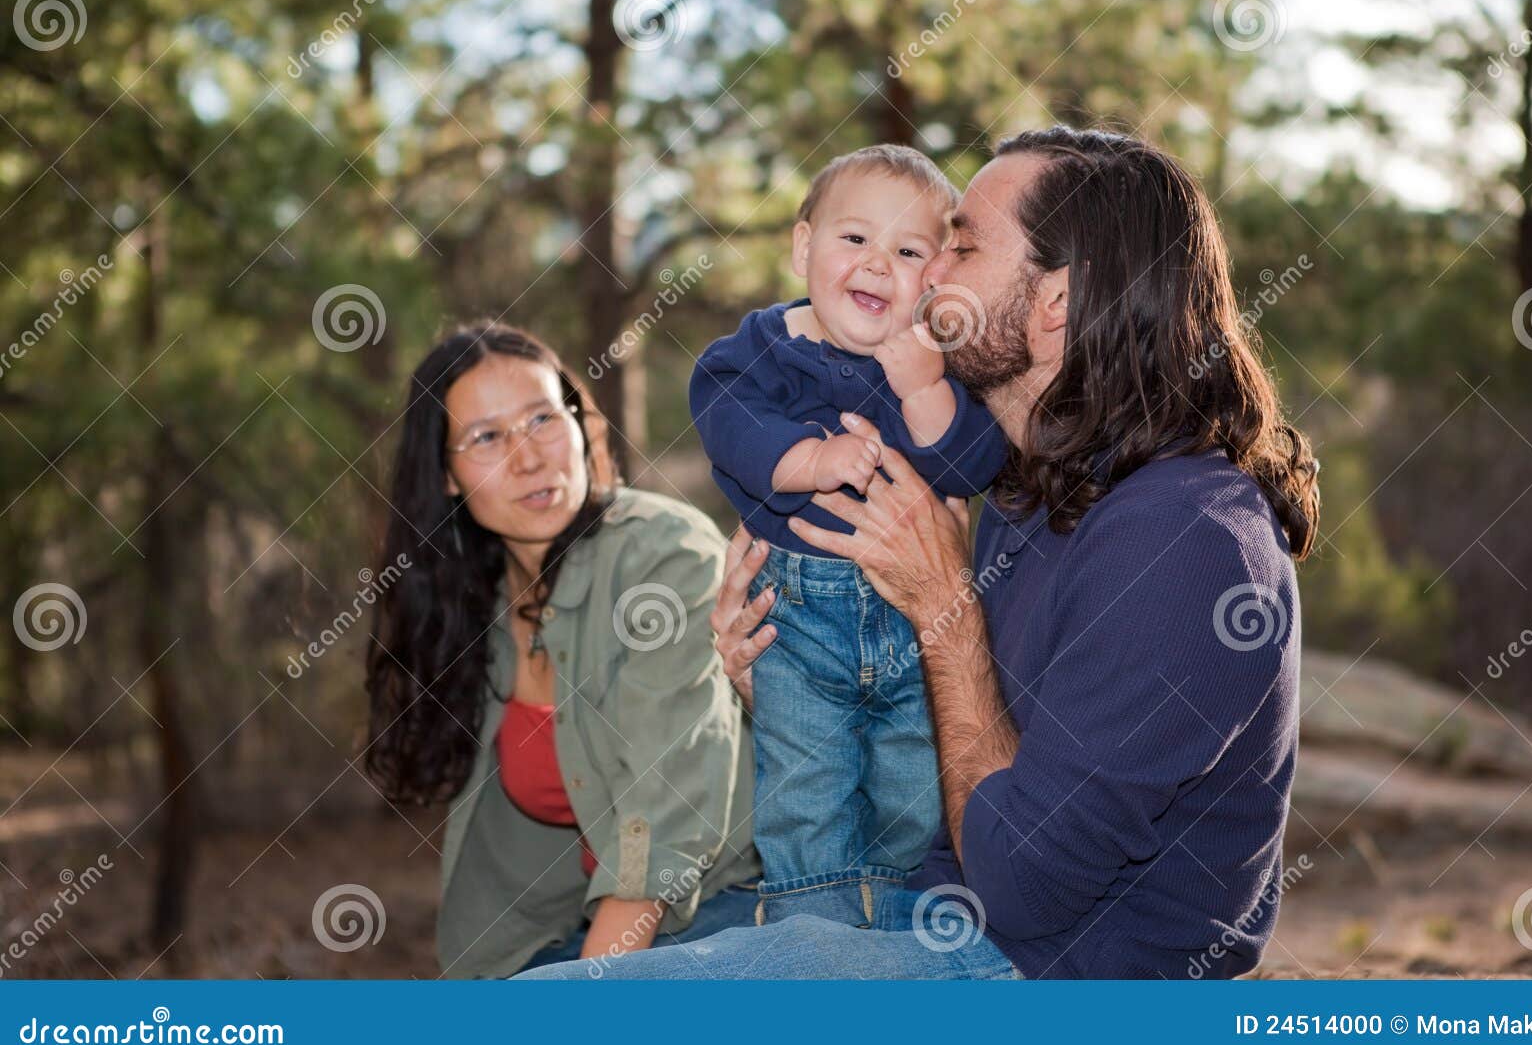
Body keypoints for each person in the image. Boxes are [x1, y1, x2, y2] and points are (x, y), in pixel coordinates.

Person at [515, 126, 1319, 980]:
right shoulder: (1027, 483)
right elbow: (959, 747)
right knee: (555, 966)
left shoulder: (1187, 543)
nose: (924, 271)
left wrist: (944, 609)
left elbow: (1025, 890)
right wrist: (788, 677)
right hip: (915, 906)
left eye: (960, 245)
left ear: (1056, 301)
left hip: (1047, 977)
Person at [362, 323, 761, 979]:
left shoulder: (664, 557)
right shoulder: (477, 607)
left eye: (543, 418)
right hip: (571, 940)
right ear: (446, 476)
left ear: (579, 425)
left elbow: (662, 831)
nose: (529, 457)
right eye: (487, 437)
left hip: (723, 919)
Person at [688, 145, 1009, 926]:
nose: (876, 266)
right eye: (854, 239)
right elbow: (726, 418)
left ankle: (899, 926)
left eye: (906, 252)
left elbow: (973, 464)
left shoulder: (928, 366)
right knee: (806, 787)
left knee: (913, 783)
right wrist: (811, 459)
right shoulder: (762, 350)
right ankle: (813, 929)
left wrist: (925, 389)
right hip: (798, 616)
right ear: (804, 246)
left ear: (934, 280)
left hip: (912, 618)